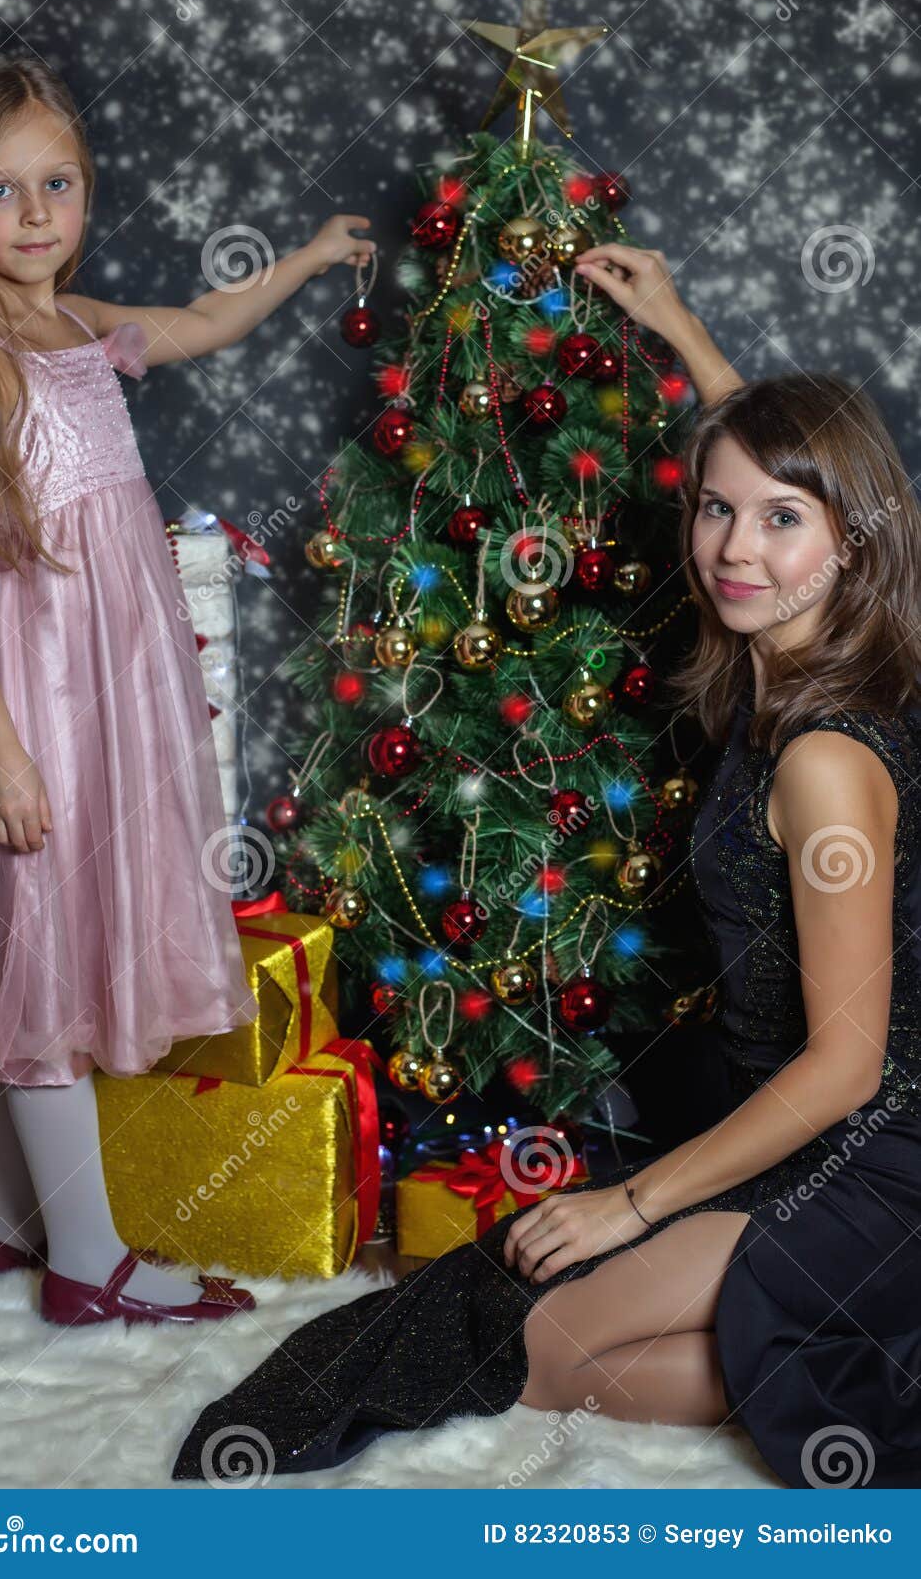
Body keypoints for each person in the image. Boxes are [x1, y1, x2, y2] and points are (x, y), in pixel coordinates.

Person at [172, 242, 921, 1489]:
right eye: (713, 508)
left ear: (852, 542)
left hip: (870, 1156)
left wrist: (633, 1205)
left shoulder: (824, 762)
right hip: (795, 1133)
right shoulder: (801, 662)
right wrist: (678, 326)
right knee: (511, 1306)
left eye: (780, 521)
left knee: (552, 1354)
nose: (733, 547)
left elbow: (845, 1066)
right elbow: (774, 471)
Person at [0, 53, 375, 1328]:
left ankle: (10, 1222)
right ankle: (87, 1265)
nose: (36, 213)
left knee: (41, 940)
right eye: (1, 190)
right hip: (34, 696)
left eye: (60, 183)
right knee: (36, 957)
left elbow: (204, 321)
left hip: (111, 688)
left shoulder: (78, 322)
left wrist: (311, 258)